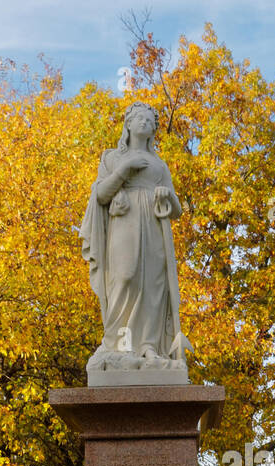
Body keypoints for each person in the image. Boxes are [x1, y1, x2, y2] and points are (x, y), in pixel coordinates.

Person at [79, 102, 189, 374]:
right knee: (125, 277)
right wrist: (123, 172)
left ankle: (148, 346)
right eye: (139, 118)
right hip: (124, 224)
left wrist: (166, 196)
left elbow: (176, 210)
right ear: (128, 124)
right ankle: (120, 346)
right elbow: (101, 195)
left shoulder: (159, 165)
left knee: (153, 285)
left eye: (150, 120)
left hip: (153, 227)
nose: (144, 122)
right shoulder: (112, 158)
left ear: (153, 130)